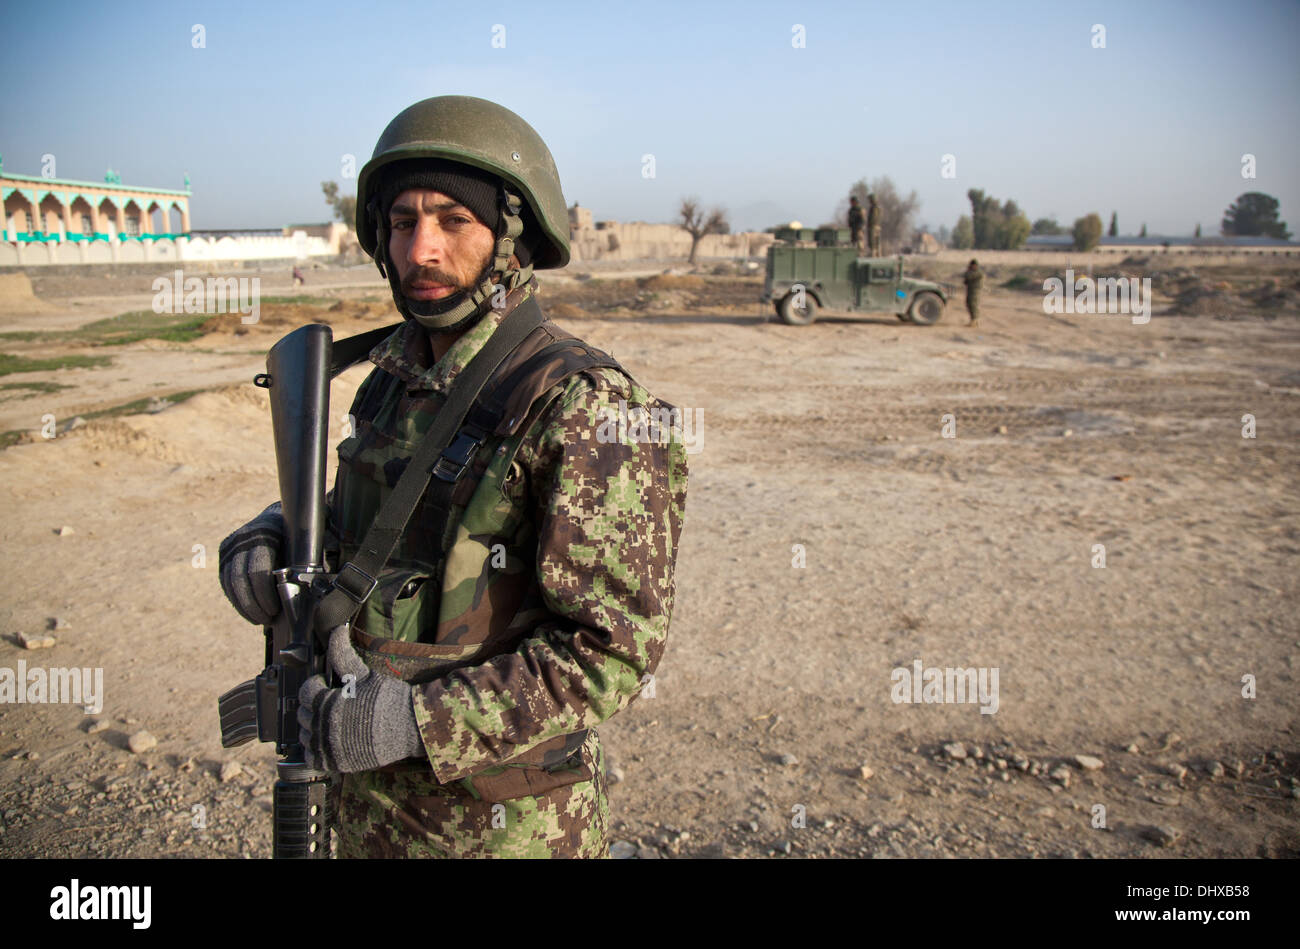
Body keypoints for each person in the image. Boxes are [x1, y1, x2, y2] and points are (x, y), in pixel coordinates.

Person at [218, 96, 688, 858]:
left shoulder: (585, 406)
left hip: (498, 832)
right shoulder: (393, 379)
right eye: (402, 222)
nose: (421, 249)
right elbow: (372, 525)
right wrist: (273, 534)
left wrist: (414, 721)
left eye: (451, 220)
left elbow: (611, 651)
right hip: (367, 809)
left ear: (511, 239)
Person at [964, 258, 983, 327]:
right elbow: (966, 280)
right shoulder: (972, 272)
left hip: (975, 291)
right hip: (970, 290)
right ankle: (973, 320)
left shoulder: (978, 273)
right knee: (969, 304)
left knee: (973, 305)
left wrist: (968, 271)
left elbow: (968, 277)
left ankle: (975, 320)